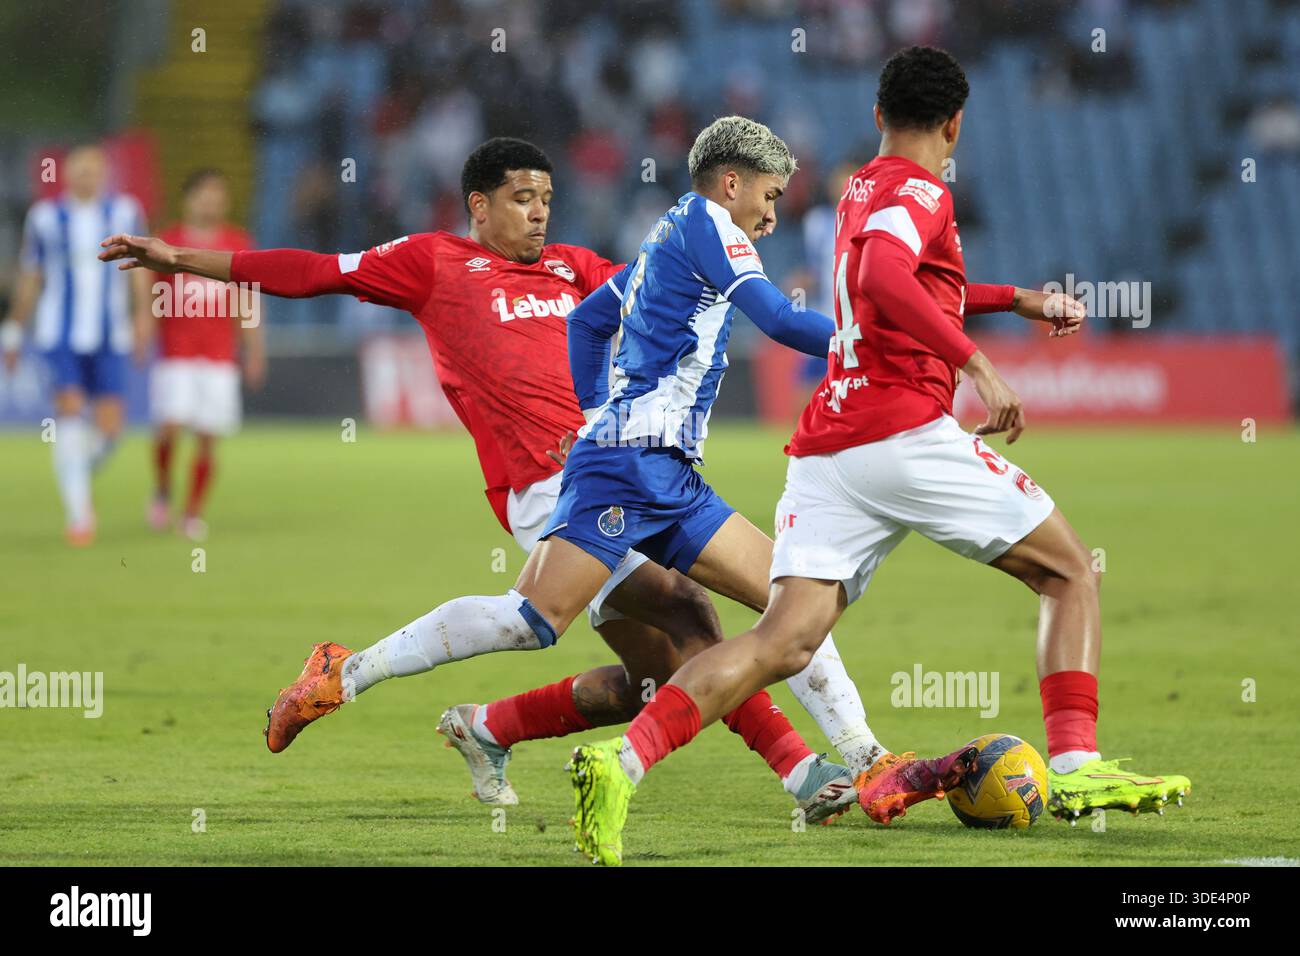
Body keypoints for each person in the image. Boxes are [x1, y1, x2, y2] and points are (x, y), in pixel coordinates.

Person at [99, 137, 869, 823]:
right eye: (522, 199)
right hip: (548, 488)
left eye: (546, 200)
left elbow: (649, 293)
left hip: (626, 472)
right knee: (684, 620)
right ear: (480, 204)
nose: (539, 215)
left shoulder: (576, 267)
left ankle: (486, 726)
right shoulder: (432, 263)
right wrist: (178, 259)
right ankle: (819, 772)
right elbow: (311, 273)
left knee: (653, 674)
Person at [568, 47, 1191, 866]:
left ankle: (623, 762)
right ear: (955, 123)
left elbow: (890, 277)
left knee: (780, 643)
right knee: (1070, 570)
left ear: (877, 118)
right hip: (903, 434)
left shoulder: (864, 185)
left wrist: (1017, 299)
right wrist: (973, 359)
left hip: (828, 446)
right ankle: (1075, 768)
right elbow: (888, 276)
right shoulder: (923, 190)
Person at [1, 143, 151, 545]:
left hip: (110, 335)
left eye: (93, 169)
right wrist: (13, 331)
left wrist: (142, 317)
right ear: (65, 175)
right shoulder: (46, 217)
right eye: (79, 169)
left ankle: (75, 474)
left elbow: (140, 271)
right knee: (68, 412)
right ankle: (79, 514)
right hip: (58, 334)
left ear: (105, 174)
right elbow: (31, 275)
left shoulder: (125, 212)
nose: (86, 175)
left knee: (111, 430)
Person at [147, 168, 265, 541]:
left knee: (207, 434)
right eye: (205, 194)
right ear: (189, 199)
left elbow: (247, 300)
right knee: (170, 427)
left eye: (218, 195)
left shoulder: (237, 241)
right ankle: (164, 487)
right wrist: (142, 336)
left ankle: (192, 512)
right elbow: (151, 298)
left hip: (218, 356)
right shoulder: (167, 241)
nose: (211, 201)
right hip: (176, 353)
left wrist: (254, 348)